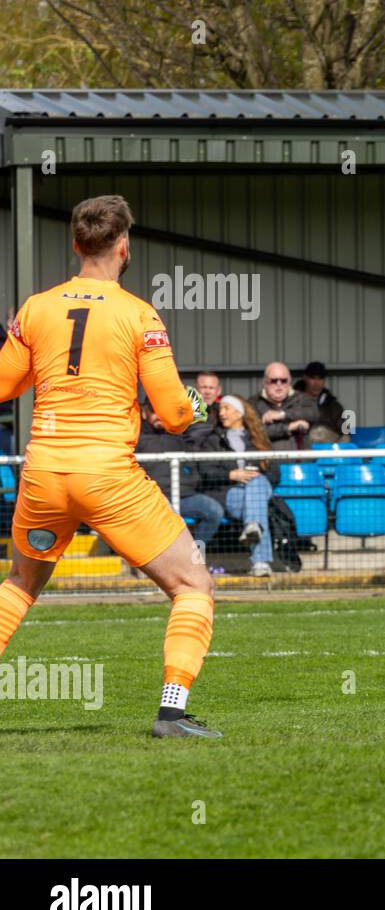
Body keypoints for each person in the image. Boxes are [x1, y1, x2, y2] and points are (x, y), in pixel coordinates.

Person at [0, 193, 217, 738]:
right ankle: (171, 712)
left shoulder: (37, 307)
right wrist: (198, 404)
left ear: (76, 244)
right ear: (125, 246)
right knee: (193, 586)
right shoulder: (139, 314)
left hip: (45, 473)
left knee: (20, 586)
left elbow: (5, 385)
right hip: (108, 477)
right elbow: (171, 414)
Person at [199, 395, 281, 577]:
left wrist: (256, 477)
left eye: (226, 408)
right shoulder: (214, 440)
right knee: (257, 505)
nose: (221, 413)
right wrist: (231, 475)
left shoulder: (258, 439)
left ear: (240, 412)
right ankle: (260, 560)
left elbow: (275, 473)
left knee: (257, 483)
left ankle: (253, 527)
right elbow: (205, 471)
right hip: (229, 492)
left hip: (260, 489)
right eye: (220, 409)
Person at [136, 401, 225, 566]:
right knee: (171, 520)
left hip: (184, 494)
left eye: (162, 411)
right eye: (154, 412)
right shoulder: (136, 437)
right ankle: (163, 564)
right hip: (154, 497)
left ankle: (193, 559)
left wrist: (190, 482)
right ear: (144, 413)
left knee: (213, 511)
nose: (159, 416)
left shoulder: (181, 435)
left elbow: (202, 426)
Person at [254, 361, 318, 451]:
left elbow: (313, 414)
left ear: (289, 381)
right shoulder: (254, 402)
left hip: (300, 462)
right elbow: (256, 431)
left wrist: (282, 415)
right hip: (268, 462)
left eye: (284, 381)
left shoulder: (301, 398)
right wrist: (290, 427)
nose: (279, 384)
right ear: (265, 382)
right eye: (274, 381)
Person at [300, 361, 347, 443]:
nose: (316, 383)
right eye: (313, 378)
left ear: (324, 381)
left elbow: (346, 434)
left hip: (329, 451)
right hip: (302, 451)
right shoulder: (293, 403)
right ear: (305, 378)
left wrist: (338, 450)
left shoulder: (334, 406)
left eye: (320, 378)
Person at [186, 369, 223, 446]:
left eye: (211, 388)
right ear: (195, 389)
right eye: (203, 387)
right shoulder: (185, 411)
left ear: (219, 390)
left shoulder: (225, 412)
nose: (207, 392)